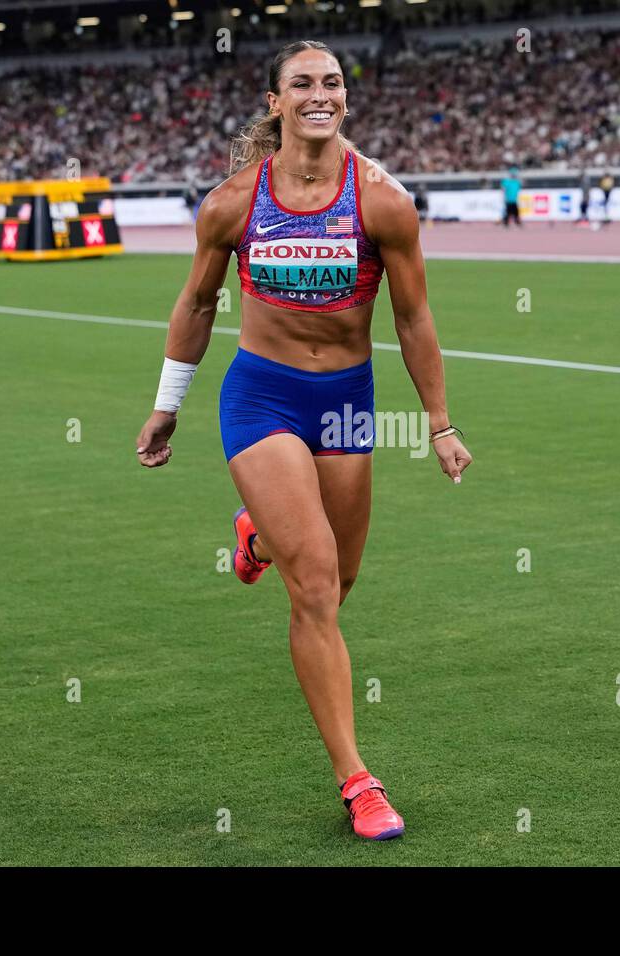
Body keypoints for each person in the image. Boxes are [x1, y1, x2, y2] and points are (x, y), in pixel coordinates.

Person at [134, 40, 472, 842]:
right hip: (263, 398)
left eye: (331, 83)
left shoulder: (383, 201)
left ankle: (257, 534)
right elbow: (197, 303)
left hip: (348, 403)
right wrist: (167, 404)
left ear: (345, 98)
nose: (319, 94)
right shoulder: (233, 203)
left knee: (340, 581)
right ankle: (359, 782)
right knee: (314, 585)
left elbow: (414, 318)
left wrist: (440, 421)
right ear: (277, 101)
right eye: (302, 84)